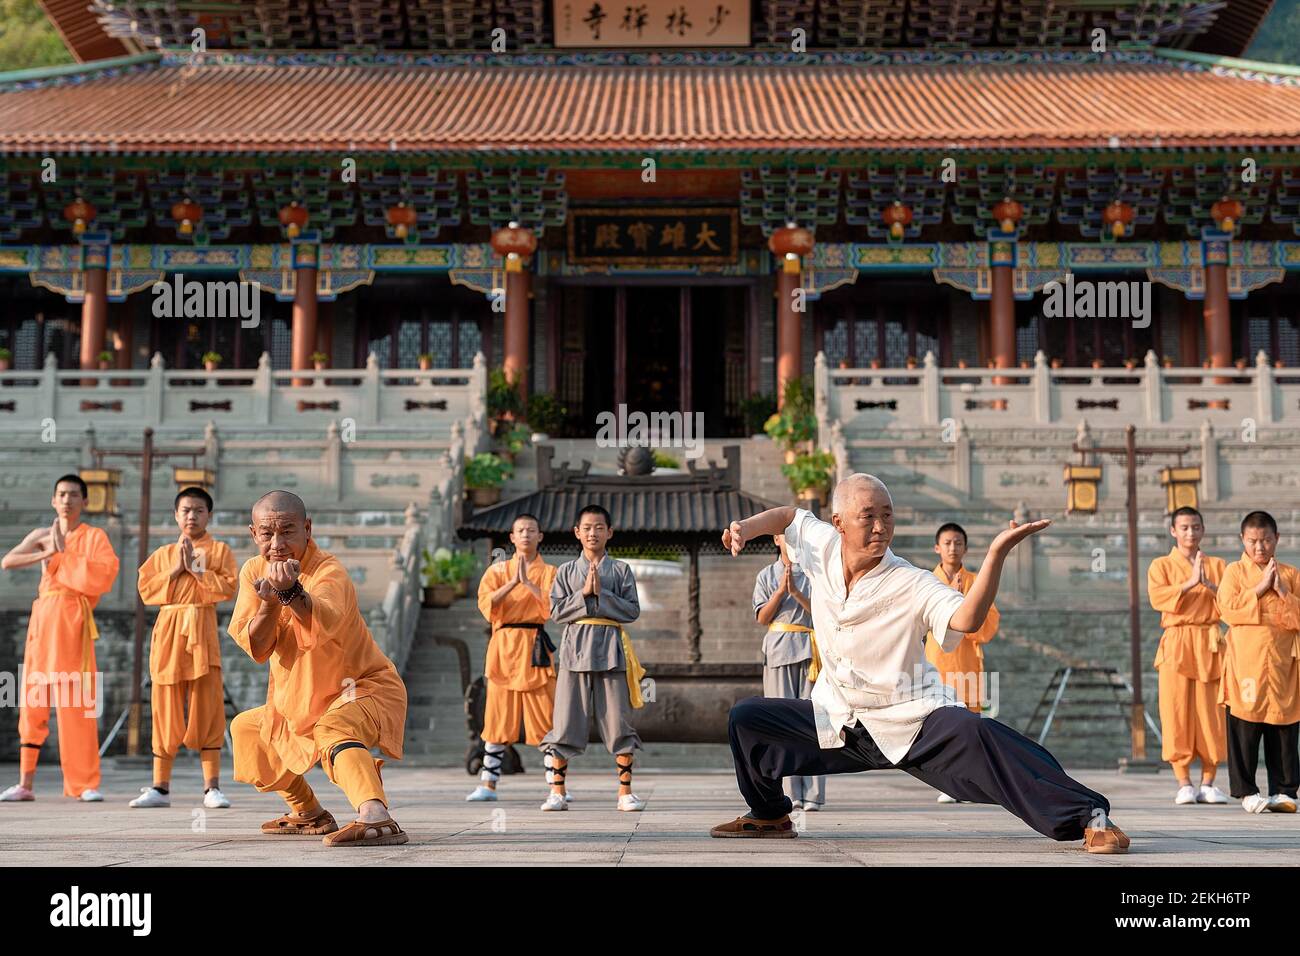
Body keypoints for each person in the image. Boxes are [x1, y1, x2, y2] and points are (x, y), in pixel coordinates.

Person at [709, 474, 1130, 854]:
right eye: (868, 517)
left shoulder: (911, 581)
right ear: (839, 523)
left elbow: (967, 618)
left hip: (910, 719)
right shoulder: (821, 545)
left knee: (982, 735)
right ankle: (769, 815)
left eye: (887, 516)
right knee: (747, 718)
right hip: (839, 717)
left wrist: (997, 554)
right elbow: (788, 516)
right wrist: (746, 528)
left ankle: (1090, 815)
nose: (880, 527)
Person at [228, 490, 410, 845]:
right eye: (267, 533)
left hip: (362, 687)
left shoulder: (329, 571)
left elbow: (323, 620)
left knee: (334, 726)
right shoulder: (253, 570)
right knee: (248, 729)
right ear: (254, 534)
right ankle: (307, 811)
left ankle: (375, 815)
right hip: (302, 697)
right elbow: (258, 647)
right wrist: (268, 604)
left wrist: (290, 592)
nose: (277, 543)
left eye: (287, 531)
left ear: (307, 529)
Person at [1, 475, 119, 803]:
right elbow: (7, 561)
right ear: (53, 500)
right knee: (32, 698)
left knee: (76, 702)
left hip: (73, 620)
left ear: (84, 502)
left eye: (73, 495)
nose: (67, 500)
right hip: (43, 621)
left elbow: (103, 576)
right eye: (62, 494)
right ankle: (25, 784)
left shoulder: (94, 537)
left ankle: (83, 784)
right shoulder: (41, 535)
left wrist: (66, 555)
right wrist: (50, 552)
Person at [131, 486, 238, 809]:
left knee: (208, 703)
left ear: (209, 515)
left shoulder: (219, 550)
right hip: (169, 631)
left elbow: (230, 588)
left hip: (202, 630)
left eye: (199, 510)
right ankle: (160, 787)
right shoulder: (163, 554)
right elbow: (146, 590)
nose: (192, 516)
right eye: (186, 510)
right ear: (177, 515)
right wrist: (177, 569)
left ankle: (212, 787)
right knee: (164, 703)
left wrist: (197, 569)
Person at [539, 504, 647, 812]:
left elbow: (632, 611)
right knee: (565, 719)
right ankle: (557, 792)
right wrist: (584, 593)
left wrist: (605, 595)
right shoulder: (566, 571)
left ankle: (625, 793)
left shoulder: (621, 570)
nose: (592, 533)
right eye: (586, 527)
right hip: (575, 649)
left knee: (618, 719)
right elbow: (556, 611)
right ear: (576, 532)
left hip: (610, 648)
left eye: (599, 527)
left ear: (609, 532)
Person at [467, 513, 560, 802]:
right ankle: (488, 784)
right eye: (520, 530)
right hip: (504, 648)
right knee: (496, 719)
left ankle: (557, 788)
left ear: (540, 536)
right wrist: (513, 583)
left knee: (546, 719)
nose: (526, 535)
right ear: (511, 537)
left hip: (535, 648)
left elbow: (554, 608)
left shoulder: (550, 572)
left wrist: (528, 584)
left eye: (532, 530)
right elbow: (486, 604)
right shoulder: (497, 571)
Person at [1217, 510, 1300, 814]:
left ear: (1277, 539)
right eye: (1253, 541)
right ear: (1243, 540)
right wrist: (1259, 587)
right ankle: (1247, 790)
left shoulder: (1291, 575)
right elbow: (1226, 611)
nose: (1260, 547)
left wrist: (1282, 593)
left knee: (1284, 726)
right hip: (1246, 662)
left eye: (1266, 540)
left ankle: (1285, 790)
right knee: (1244, 727)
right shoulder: (1234, 573)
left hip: (1282, 662)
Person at [1146, 506, 1229, 806]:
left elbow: (1232, 605)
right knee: (1176, 710)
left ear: (1203, 529)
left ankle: (1208, 780)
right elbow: (1158, 599)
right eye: (1184, 527)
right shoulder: (1161, 566)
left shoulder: (1219, 565)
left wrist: (1209, 585)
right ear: (1173, 531)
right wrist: (1190, 583)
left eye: (1195, 527)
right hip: (1178, 641)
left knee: (1211, 712)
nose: (1190, 533)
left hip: (1209, 641)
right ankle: (1183, 780)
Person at [925, 521, 1000, 804]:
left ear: (965, 548)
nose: (952, 548)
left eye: (958, 543)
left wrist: (964, 602)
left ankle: (969, 783)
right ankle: (947, 782)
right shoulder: (927, 582)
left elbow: (988, 624)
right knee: (941, 724)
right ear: (937, 548)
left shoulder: (977, 582)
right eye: (947, 543)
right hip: (936, 662)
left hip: (967, 663)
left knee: (969, 726)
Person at [753, 533, 825, 810]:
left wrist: (797, 593)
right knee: (780, 723)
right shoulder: (765, 575)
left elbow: (823, 614)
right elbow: (761, 617)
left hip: (810, 651)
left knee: (815, 722)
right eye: (786, 538)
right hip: (779, 649)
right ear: (776, 540)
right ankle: (790, 793)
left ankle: (814, 794)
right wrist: (781, 592)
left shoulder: (816, 574)